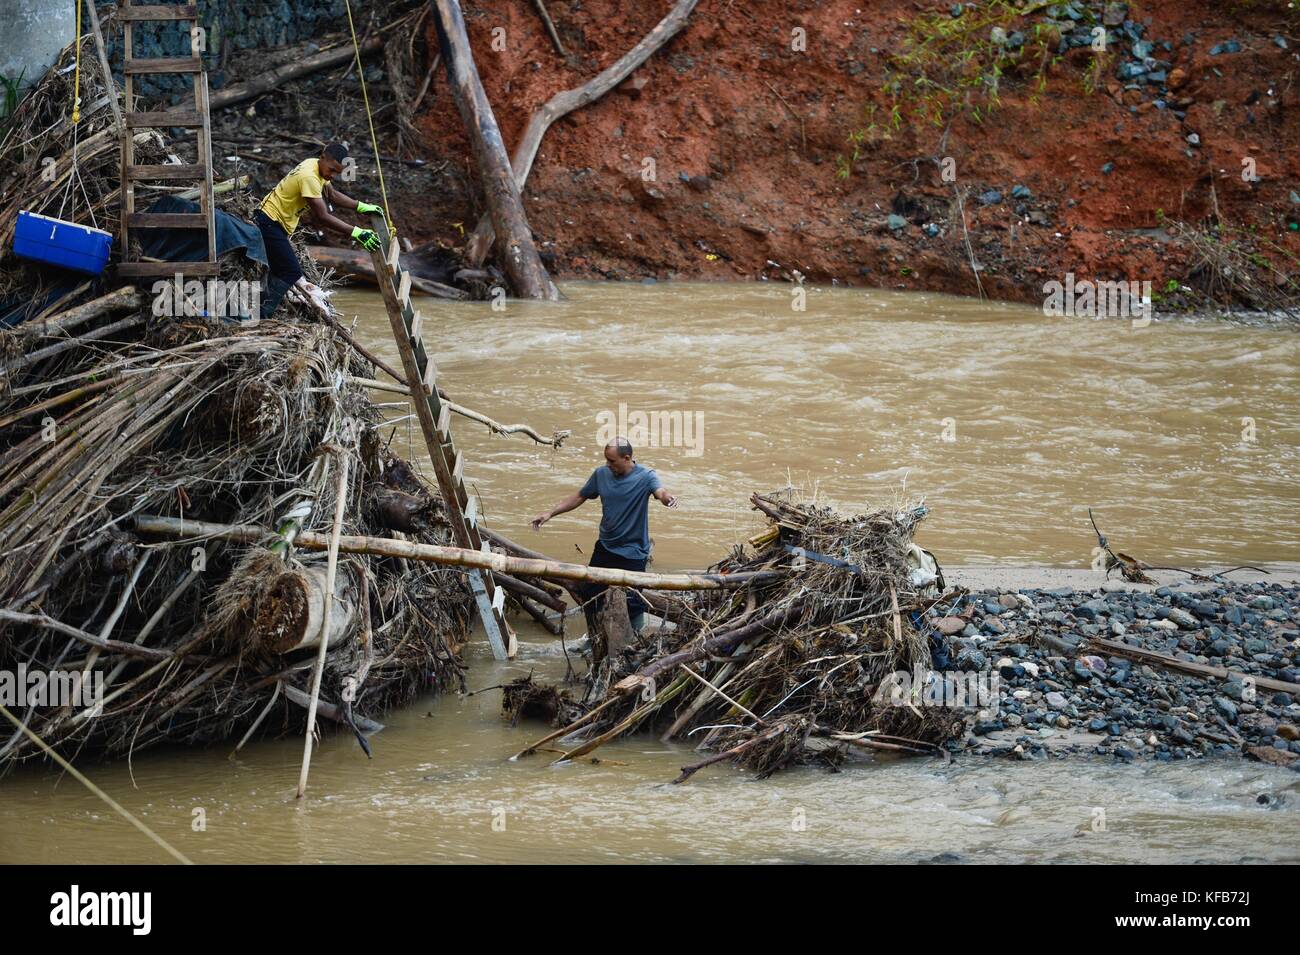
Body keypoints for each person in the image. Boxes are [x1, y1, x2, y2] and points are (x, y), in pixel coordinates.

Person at [531, 438, 677, 633]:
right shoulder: (601, 474)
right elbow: (580, 496)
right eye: (606, 460)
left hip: (633, 553)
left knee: (633, 604)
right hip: (606, 547)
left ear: (627, 458)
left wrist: (668, 500)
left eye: (612, 461)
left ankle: (631, 642)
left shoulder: (646, 476)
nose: (608, 465)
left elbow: (660, 492)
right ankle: (594, 639)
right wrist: (550, 513)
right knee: (591, 597)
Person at [253, 142, 383, 318]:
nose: (333, 175)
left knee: (280, 269)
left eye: (338, 172)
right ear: (323, 157)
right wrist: (357, 232)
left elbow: (333, 195)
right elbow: (322, 217)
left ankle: (257, 309)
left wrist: (362, 206)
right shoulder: (309, 177)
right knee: (291, 272)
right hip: (269, 222)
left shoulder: (317, 166)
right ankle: (261, 314)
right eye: (332, 170)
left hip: (276, 223)